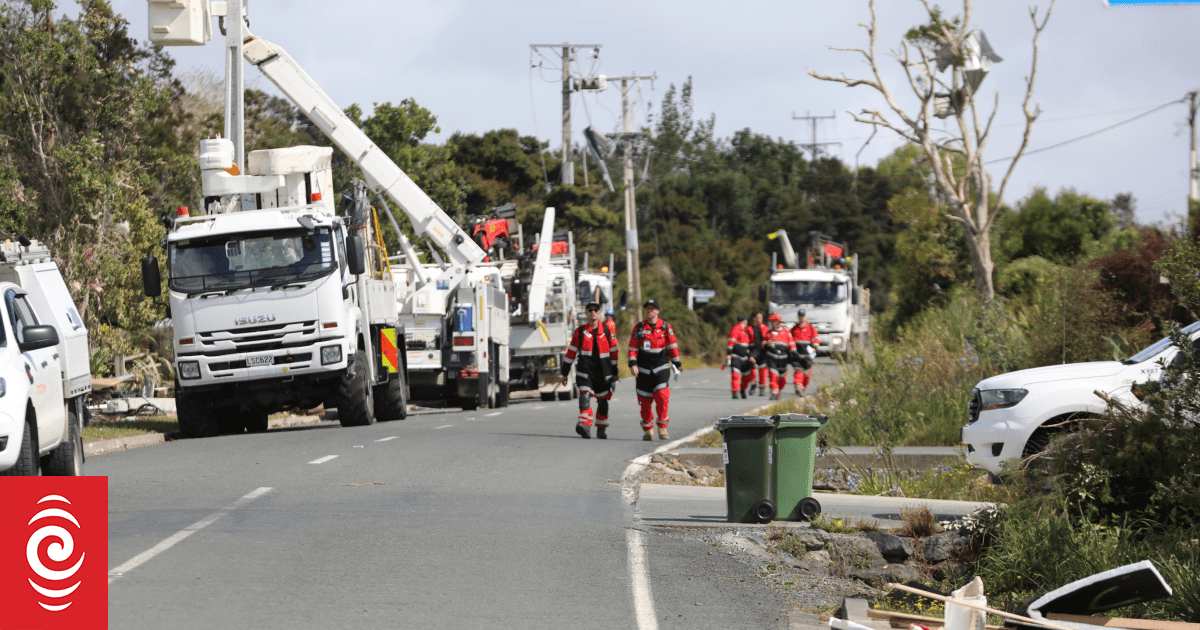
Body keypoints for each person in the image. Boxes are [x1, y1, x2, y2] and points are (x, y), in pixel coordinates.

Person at [562, 302, 619, 439]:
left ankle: (601, 428)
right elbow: (571, 353)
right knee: (584, 394)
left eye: (596, 310)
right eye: (590, 310)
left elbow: (614, 351)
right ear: (586, 313)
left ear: (599, 313)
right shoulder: (580, 331)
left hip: (603, 372)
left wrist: (615, 371)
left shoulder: (607, 330)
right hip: (585, 370)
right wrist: (564, 373)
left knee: (603, 401)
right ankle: (584, 424)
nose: (593, 312)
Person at [628, 299, 681, 441]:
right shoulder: (638, 328)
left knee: (662, 396)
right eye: (647, 309)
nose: (650, 311)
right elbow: (633, 348)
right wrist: (633, 364)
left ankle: (662, 428)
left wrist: (677, 364)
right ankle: (648, 429)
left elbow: (672, 346)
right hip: (643, 370)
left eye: (652, 308)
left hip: (661, 367)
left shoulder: (665, 327)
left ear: (657, 311)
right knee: (645, 402)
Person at [764, 314, 797, 400]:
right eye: (772, 322)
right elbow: (764, 342)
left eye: (774, 321)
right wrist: (767, 344)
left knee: (783, 379)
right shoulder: (769, 332)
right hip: (772, 358)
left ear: (779, 321)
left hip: (783, 359)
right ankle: (774, 391)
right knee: (773, 375)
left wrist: (793, 353)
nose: (773, 323)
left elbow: (792, 344)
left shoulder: (786, 332)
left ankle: (778, 390)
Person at [723, 315, 754, 399]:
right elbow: (731, 341)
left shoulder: (746, 331)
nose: (747, 322)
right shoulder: (736, 328)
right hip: (736, 356)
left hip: (745, 357)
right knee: (735, 375)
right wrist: (729, 354)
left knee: (746, 376)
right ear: (743, 321)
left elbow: (747, 345)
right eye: (746, 321)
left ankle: (743, 390)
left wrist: (750, 356)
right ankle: (735, 392)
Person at [791, 309, 819, 397]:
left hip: (807, 355)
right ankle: (798, 387)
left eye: (803, 316)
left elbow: (815, 339)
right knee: (798, 371)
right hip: (797, 355)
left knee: (807, 374)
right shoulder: (794, 328)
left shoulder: (811, 327)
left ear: (805, 316)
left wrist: (814, 347)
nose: (801, 318)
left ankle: (802, 387)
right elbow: (790, 340)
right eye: (800, 316)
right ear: (798, 317)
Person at [749, 311, 769, 396]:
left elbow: (770, 337)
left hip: (763, 351)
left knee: (763, 371)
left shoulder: (765, 328)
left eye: (761, 317)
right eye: (757, 317)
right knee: (753, 368)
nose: (759, 319)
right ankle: (753, 384)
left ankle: (762, 388)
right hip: (753, 351)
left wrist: (766, 341)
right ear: (753, 318)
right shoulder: (749, 328)